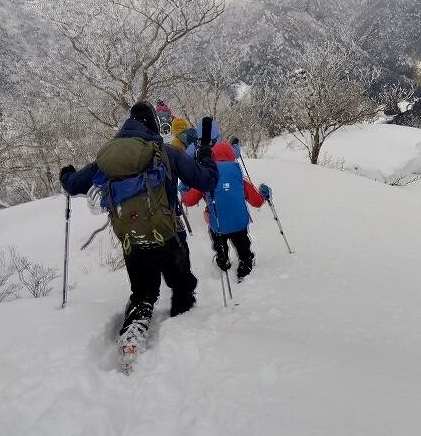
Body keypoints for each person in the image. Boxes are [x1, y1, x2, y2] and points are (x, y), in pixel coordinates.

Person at [60, 101, 219, 346]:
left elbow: (73, 185)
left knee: (143, 293)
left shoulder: (108, 158)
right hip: (169, 236)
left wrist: (66, 174)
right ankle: (182, 333)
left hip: (132, 241)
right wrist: (207, 157)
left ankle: (132, 334)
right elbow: (206, 181)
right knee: (181, 286)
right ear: (154, 125)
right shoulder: (165, 152)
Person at [182, 140, 272, 282]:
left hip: (218, 224)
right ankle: (245, 261)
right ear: (232, 155)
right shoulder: (239, 177)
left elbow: (189, 201)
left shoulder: (206, 176)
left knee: (218, 238)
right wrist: (264, 194)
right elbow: (257, 201)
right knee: (242, 242)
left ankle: (222, 259)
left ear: (213, 156)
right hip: (239, 222)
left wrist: (183, 193)